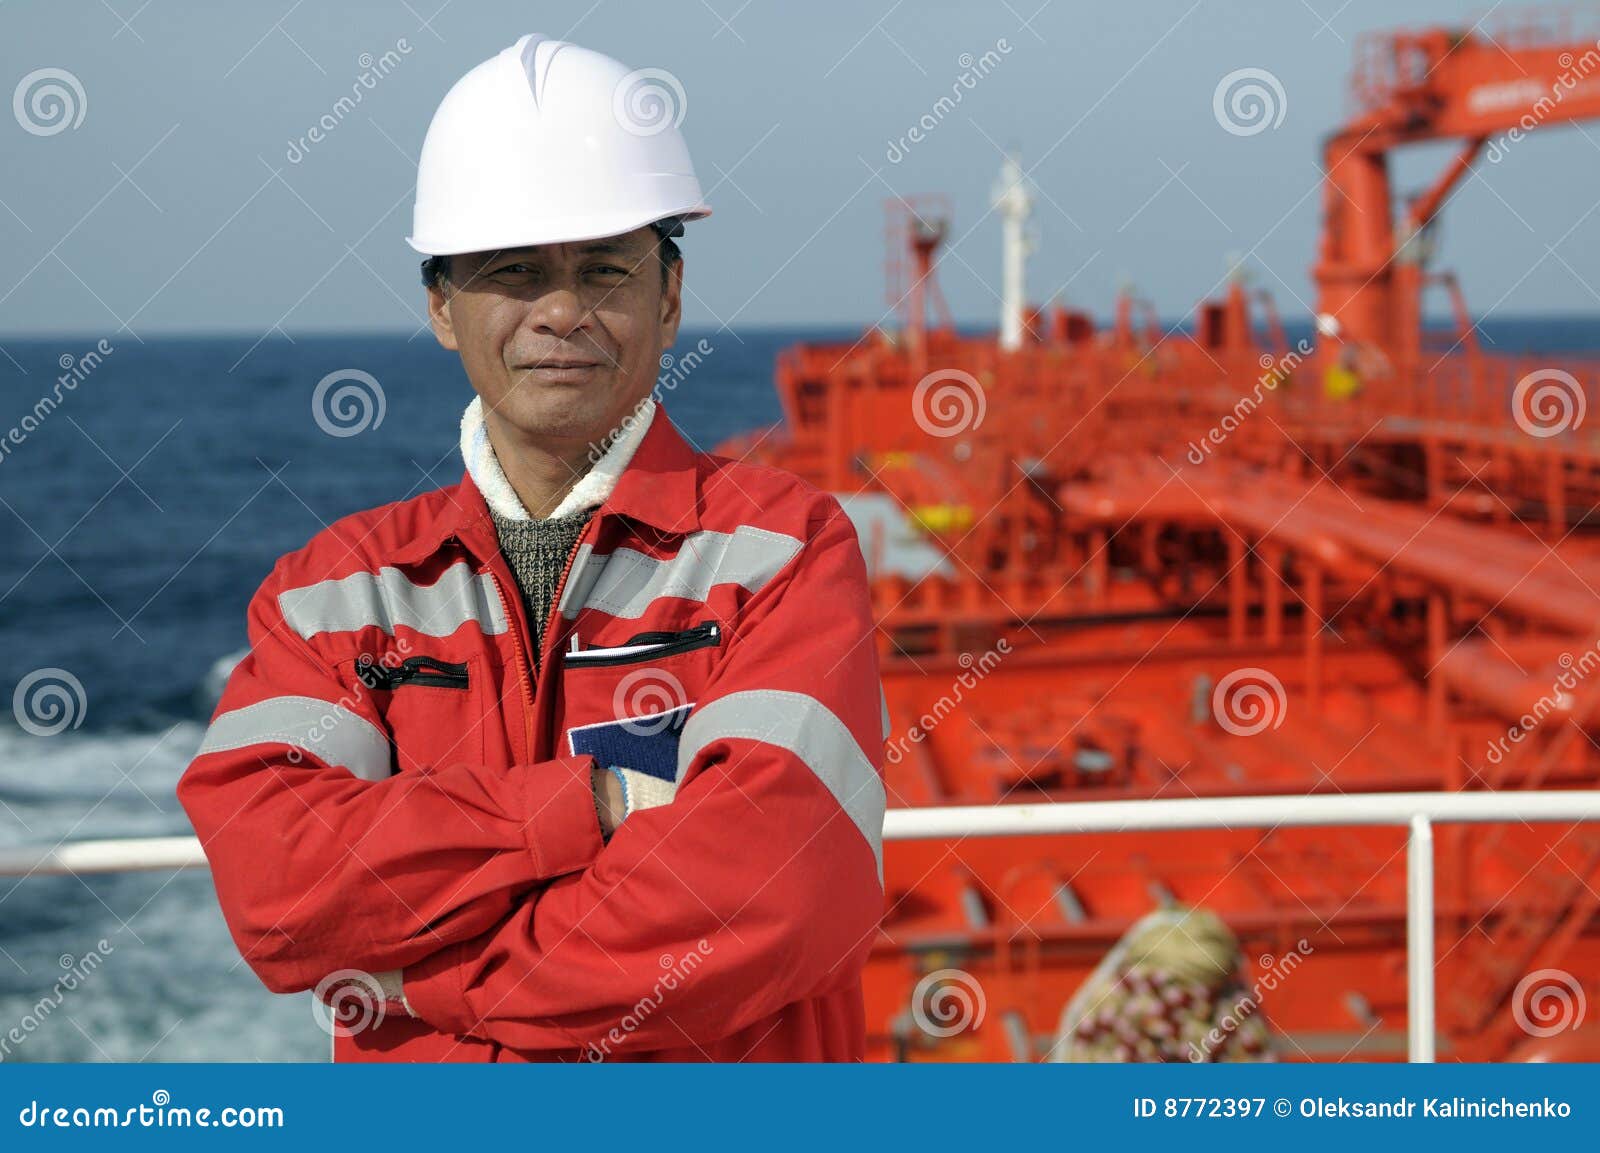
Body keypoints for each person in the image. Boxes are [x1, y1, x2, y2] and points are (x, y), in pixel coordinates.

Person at [177, 33, 888, 1063]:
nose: (561, 312)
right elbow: (279, 889)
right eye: (514, 271)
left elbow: (772, 894)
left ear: (668, 301)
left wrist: (431, 978)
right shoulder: (330, 593)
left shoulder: (781, 551)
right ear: (441, 307)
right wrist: (592, 803)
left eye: (605, 270)